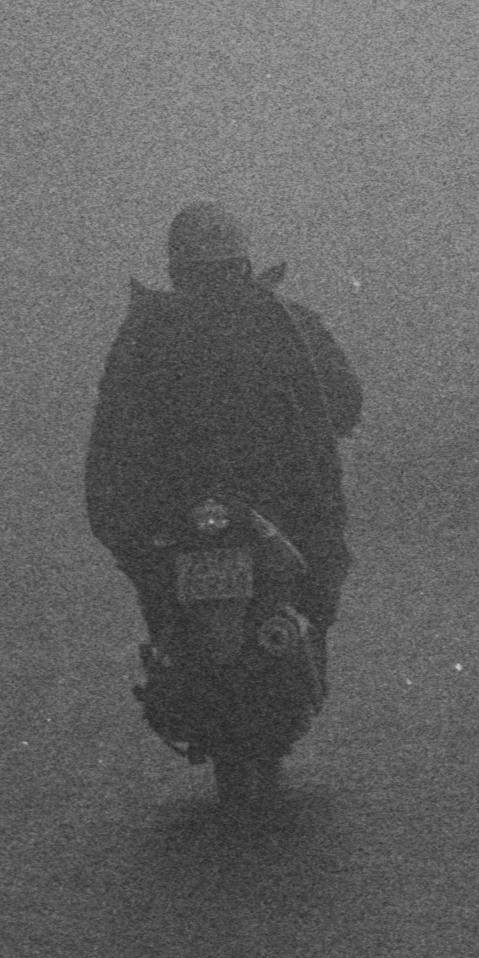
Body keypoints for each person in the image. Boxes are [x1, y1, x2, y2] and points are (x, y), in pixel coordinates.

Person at [84, 200, 364, 643]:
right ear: (244, 260)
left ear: (176, 264)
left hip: (171, 508)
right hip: (280, 503)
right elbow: (346, 401)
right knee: (317, 593)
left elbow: (111, 430)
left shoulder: (146, 328)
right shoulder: (288, 320)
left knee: (161, 607)